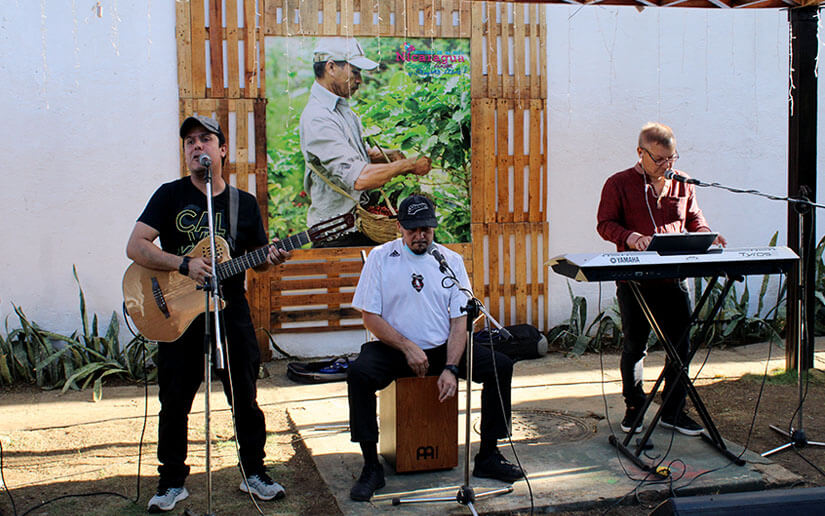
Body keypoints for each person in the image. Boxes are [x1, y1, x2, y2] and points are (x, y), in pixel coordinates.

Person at [126, 115, 292, 513]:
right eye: (190, 142)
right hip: (177, 314)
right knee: (174, 401)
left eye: (205, 139)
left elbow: (258, 260)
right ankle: (171, 482)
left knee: (245, 396)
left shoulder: (242, 204)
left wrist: (272, 258)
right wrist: (183, 264)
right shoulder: (169, 195)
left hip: (230, 312)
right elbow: (136, 246)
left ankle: (254, 472)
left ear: (222, 150)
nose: (197, 146)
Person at [346, 194, 523, 501]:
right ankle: (371, 465)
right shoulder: (381, 257)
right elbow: (370, 316)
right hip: (394, 348)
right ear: (400, 227)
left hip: (443, 347)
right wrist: (406, 347)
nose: (420, 236)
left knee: (500, 367)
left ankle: (489, 454)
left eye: (426, 229)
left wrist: (452, 367)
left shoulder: (450, 261)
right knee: (359, 374)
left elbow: (459, 321)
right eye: (413, 229)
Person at [596, 122, 727, 437]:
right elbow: (605, 223)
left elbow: (694, 218)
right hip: (635, 281)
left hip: (673, 280)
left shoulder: (683, 183)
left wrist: (706, 235)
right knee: (635, 346)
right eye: (659, 159)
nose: (666, 165)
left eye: (672, 158)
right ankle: (634, 407)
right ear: (640, 153)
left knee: (681, 347)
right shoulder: (618, 183)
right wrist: (631, 237)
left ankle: (673, 410)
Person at [299, 37, 432, 246]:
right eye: (355, 72)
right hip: (337, 235)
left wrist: (389, 155)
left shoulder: (343, 111)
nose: (360, 80)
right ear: (331, 67)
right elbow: (359, 178)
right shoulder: (319, 118)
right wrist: (407, 165)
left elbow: (358, 155)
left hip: (357, 226)